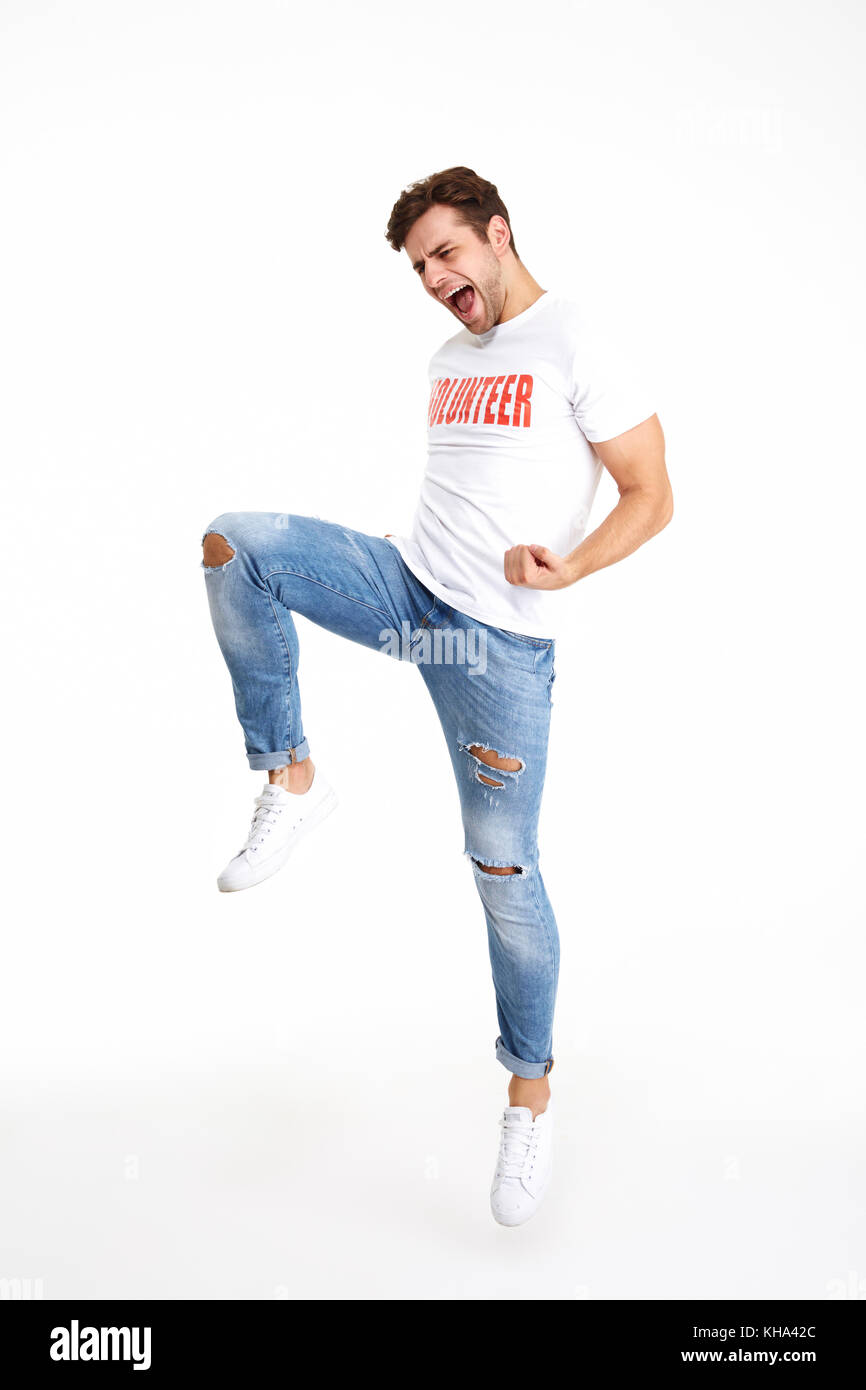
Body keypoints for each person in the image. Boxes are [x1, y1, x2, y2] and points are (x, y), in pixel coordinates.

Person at [200, 166, 673, 1227]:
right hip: (407, 593)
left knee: (502, 871)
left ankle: (529, 1093)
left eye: (446, 252)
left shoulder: (579, 341)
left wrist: (576, 567)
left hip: (496, 650)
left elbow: (651, 492)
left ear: (497, 234)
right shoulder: (444, 357)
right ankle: (293, 777)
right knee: (237, 545)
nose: (433, 277)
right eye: (418, 266)